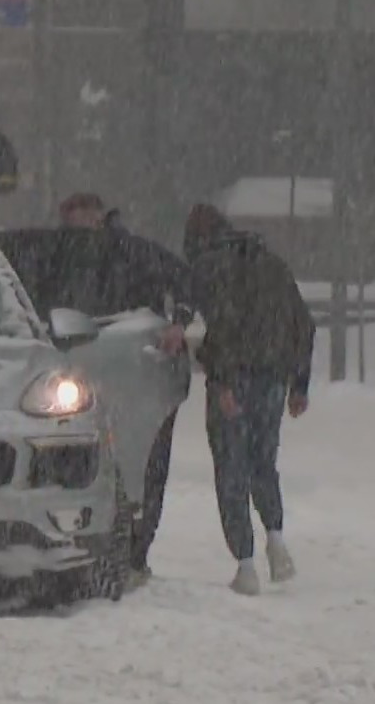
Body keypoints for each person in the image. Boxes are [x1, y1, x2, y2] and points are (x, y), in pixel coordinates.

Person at [56, 193, 195, 585]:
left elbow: (185, 281)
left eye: (86, 214)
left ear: (100, 216)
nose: (81, 222)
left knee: (144, 461)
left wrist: (177, 324)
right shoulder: (54, 257)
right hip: (80, 368)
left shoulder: (131, 253)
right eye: (74, 214)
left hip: (132, 368)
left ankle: (135, 549)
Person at [183, 203, 313, 596]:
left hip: (232, 378)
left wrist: (220, 379)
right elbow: (302, 323)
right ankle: (276, 539)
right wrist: (300, 384)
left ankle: (245, 565)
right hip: (273, 378)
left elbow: (221, 325)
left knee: (230, 468)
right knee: (262, 462)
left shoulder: (209, 269)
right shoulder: (274, 266)